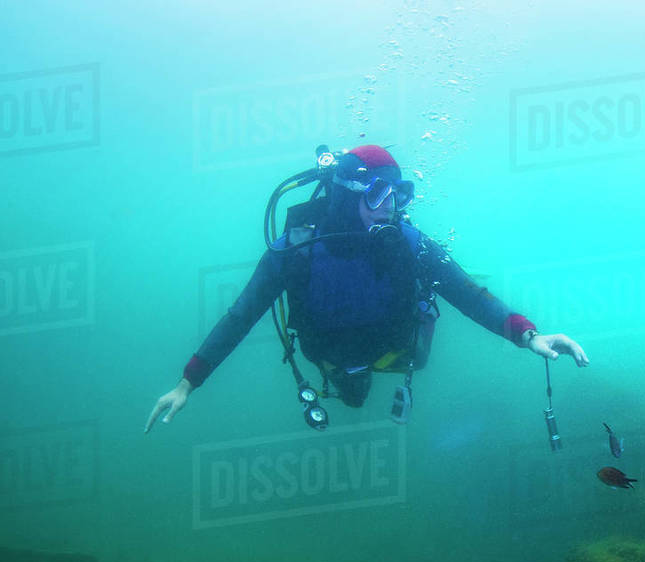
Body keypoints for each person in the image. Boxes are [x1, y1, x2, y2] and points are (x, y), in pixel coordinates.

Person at [146, 144, 588, 432]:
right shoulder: (296, 250)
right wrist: (189, 382)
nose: (389, 208)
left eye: (398, 195)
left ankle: (353, 376)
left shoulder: (408, 244)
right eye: (377, 194)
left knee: (381, 372)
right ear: (344, 193)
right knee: (351, 393)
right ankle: (342, 378)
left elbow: (469, 294)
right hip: (327, 354)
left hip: (392, 349)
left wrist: (530, 335)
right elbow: (241, 315)